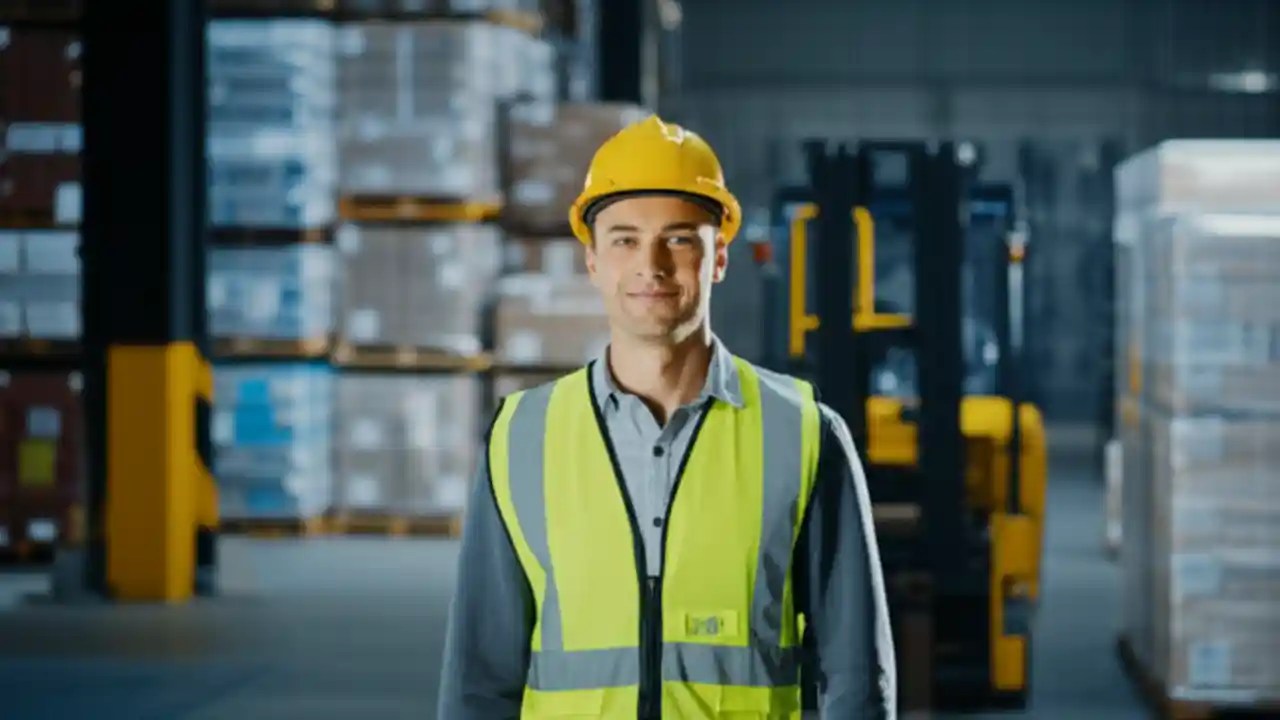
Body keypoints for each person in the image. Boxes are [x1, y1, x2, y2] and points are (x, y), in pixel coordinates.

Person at [438, 115, 896, 719]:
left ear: (719, 258)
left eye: (679, 238)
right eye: (624, 239)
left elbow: (858, 680)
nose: (650, 264)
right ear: (593, 262)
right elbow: (479, 680)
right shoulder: (521, 438)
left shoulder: (805, 434)